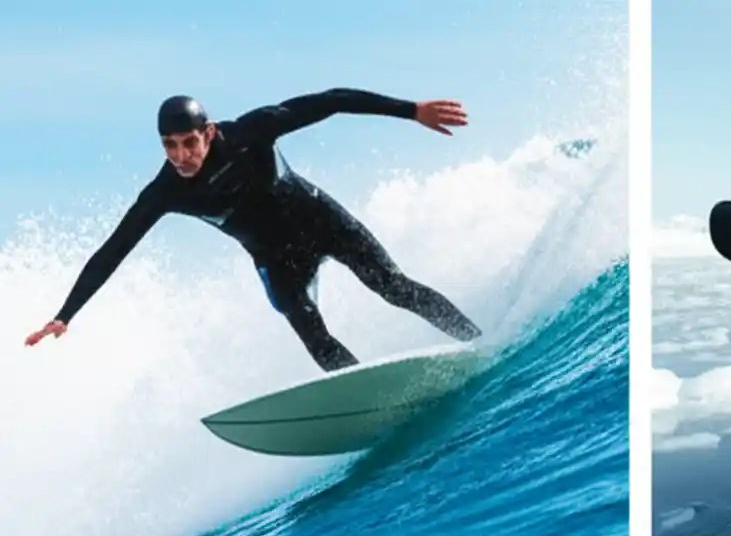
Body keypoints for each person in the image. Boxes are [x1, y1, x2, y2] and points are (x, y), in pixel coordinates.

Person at [25, 88, 482, 371]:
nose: (181, 156)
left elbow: (332, 101)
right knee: (311, 332)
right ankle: (372, 405)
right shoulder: (165, 192)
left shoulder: (250, 131)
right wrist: (66, 314)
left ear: (207, 132)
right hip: (273, 257)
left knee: (394, 287)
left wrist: (411, 110)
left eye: (188, 143)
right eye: (169, 146)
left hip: (320, 221)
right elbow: (113, 250)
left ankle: (478, 343)